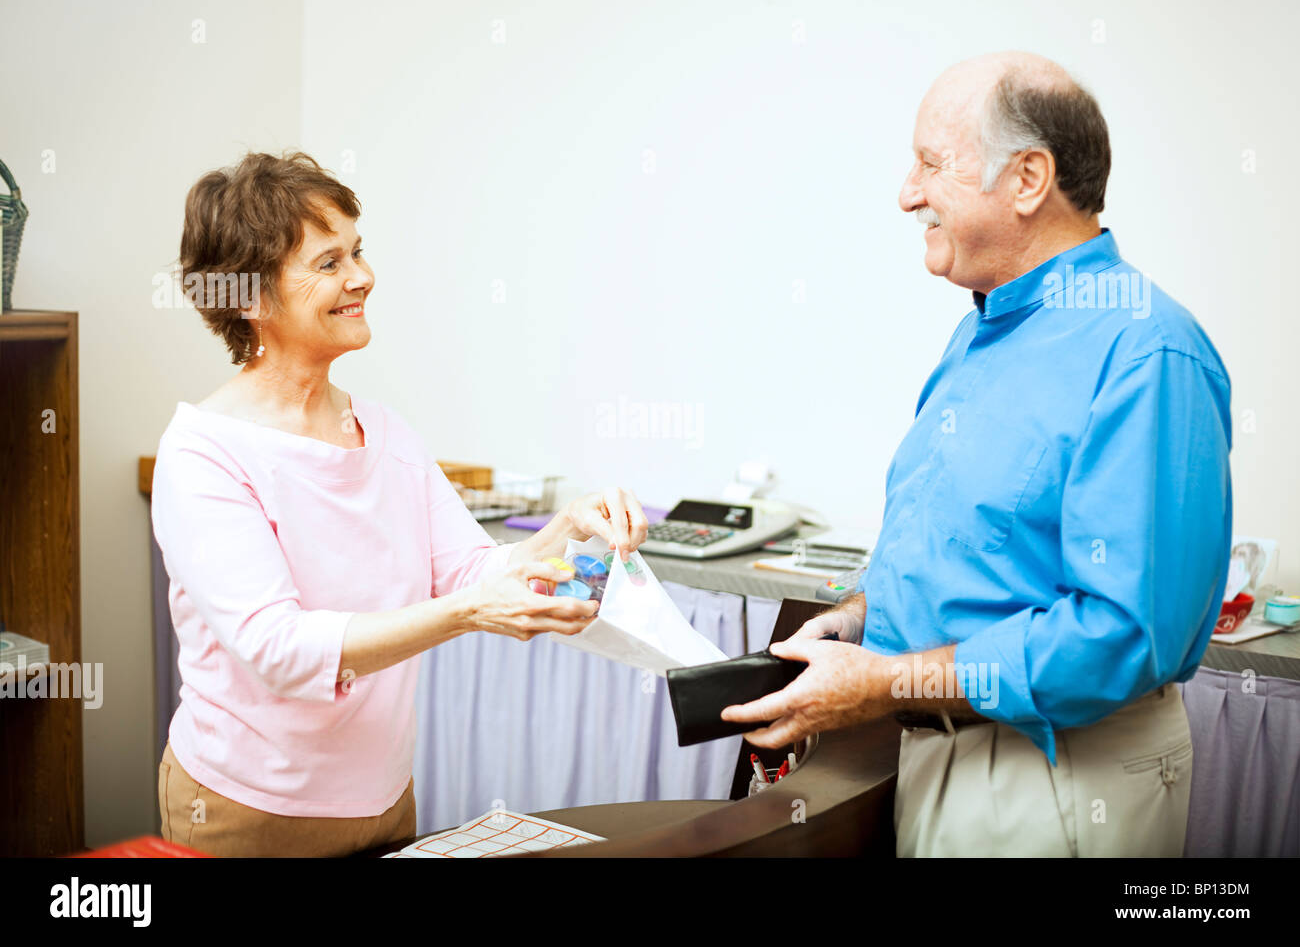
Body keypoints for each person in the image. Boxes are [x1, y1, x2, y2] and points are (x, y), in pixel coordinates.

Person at [723, 52, 1232, 856]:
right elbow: (971, 553)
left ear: (1029, 178)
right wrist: (860, 619)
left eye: (931, 163)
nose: (906, 193)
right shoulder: (982, 331)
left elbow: (1123, 634)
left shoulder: (1148, 353)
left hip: (1056, 781)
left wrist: (888, 682)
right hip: (937, 759)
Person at [152, 151, 648, 856]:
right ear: (251, 298)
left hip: (386, 799)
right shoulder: (203, 453)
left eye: (358, 251)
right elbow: (278, 649)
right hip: (246, 809)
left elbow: (473, 569)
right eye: (328, 263)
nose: (363, 276)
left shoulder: (385, 433)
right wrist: (469, 615)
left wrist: (568, 527)